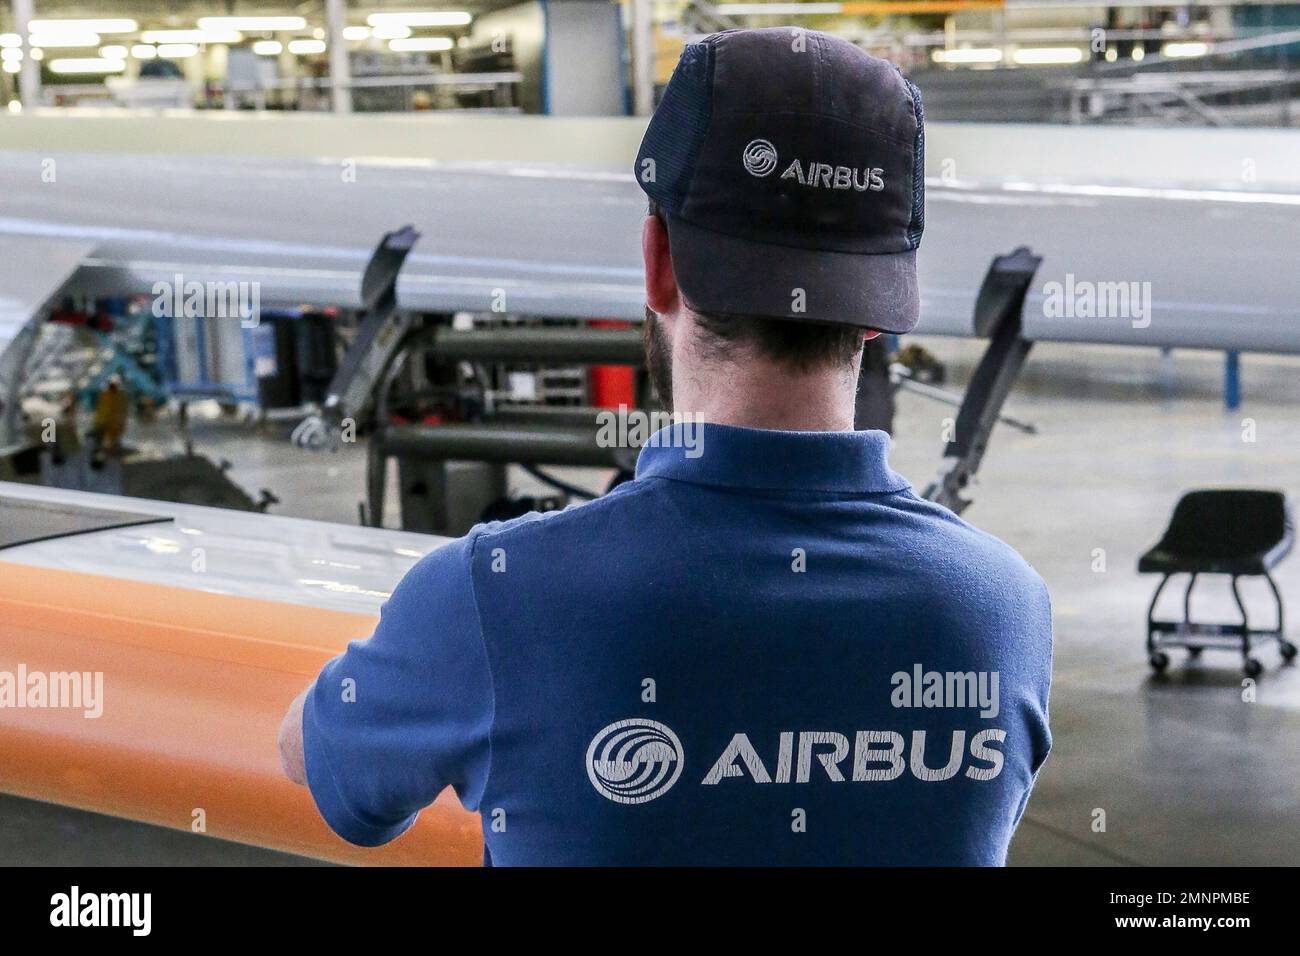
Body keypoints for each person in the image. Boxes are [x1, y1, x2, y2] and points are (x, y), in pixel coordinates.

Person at [278, 27, 1052, 866]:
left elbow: (323, 773)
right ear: (880, 307)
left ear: (657, 266)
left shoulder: (492, 597)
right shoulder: (1004, 610)